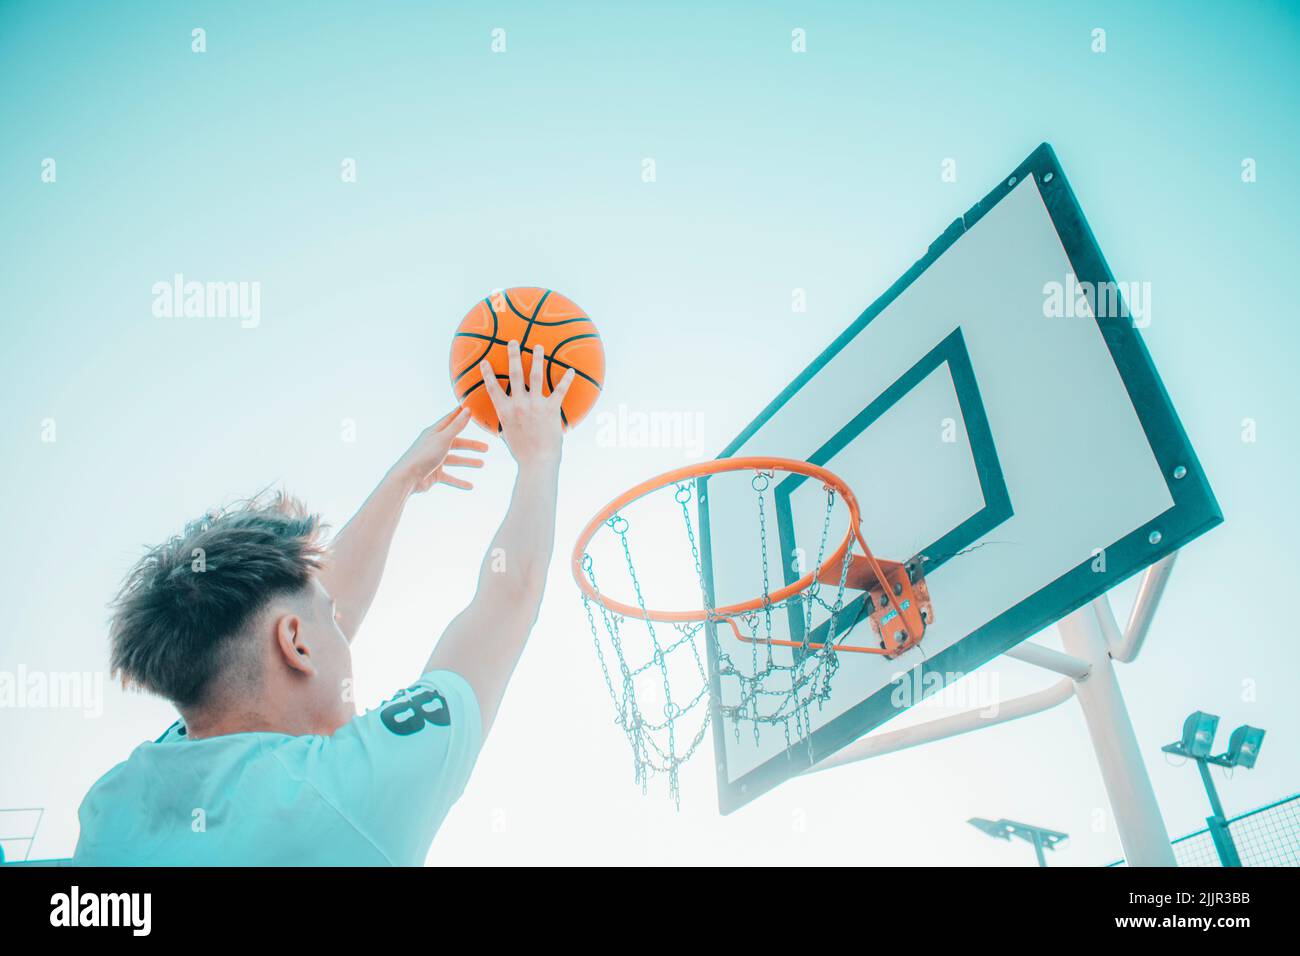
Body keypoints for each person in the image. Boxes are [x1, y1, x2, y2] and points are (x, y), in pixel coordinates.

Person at [74, 342, 573, 865]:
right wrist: (541, 457)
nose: (344, 622)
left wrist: (401, 482)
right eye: (332, 619)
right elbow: (507, 599)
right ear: (295, 643)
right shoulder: (347, 795)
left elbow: (278, 635)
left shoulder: (115, 804)